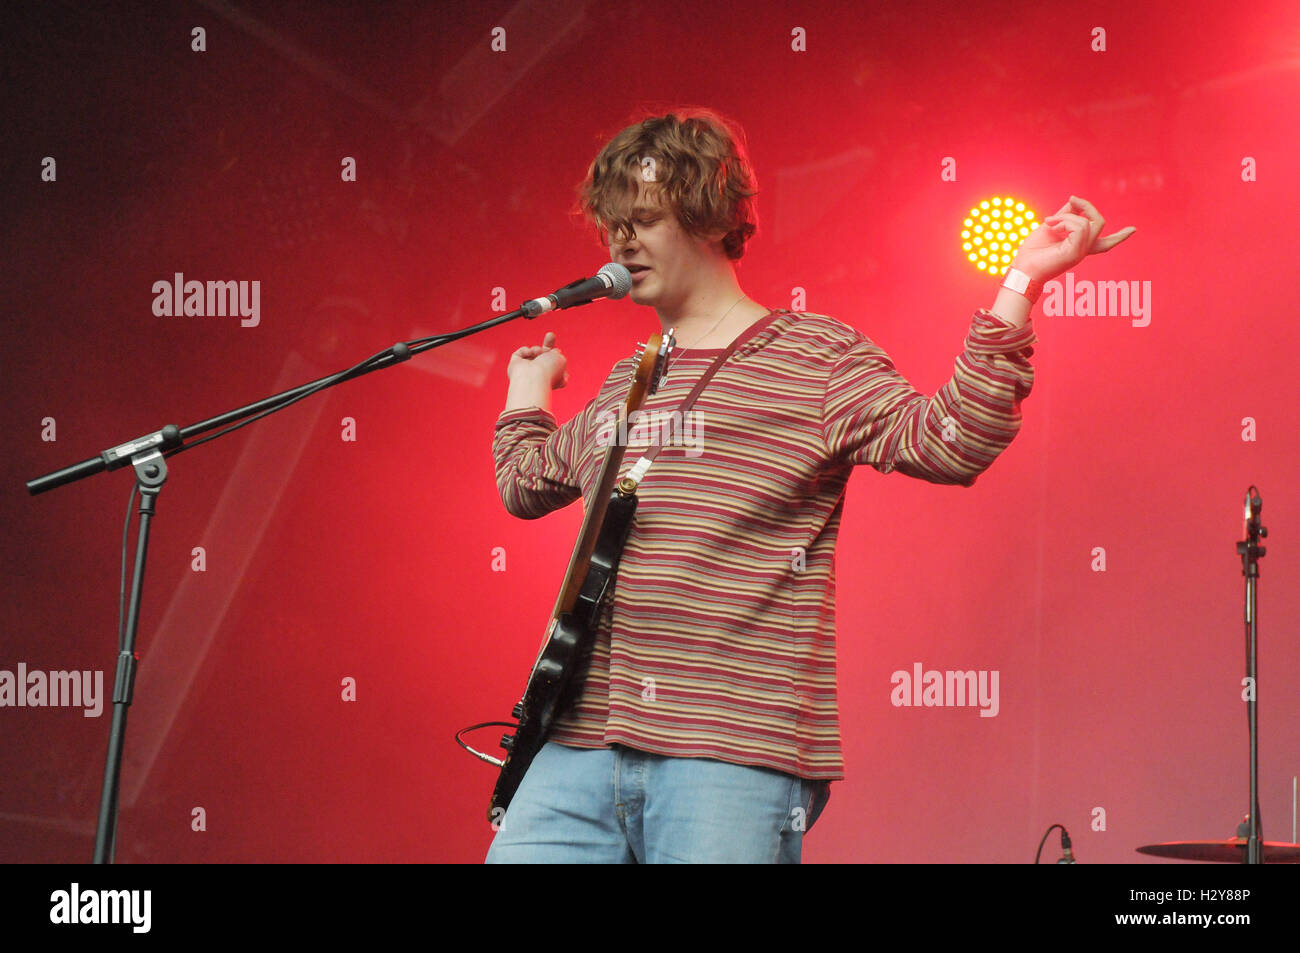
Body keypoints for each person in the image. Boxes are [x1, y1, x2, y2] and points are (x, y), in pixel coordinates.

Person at [485, 108, 1134, 863]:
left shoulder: (815, 356)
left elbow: (952, 439)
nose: (622, 242)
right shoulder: (629, 381)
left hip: (725, 754)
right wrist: (526, 393)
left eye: (645, 219)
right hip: (575, 747)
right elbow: (526, 485)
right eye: (613, 226)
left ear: (708, 216)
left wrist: (1020, 281)